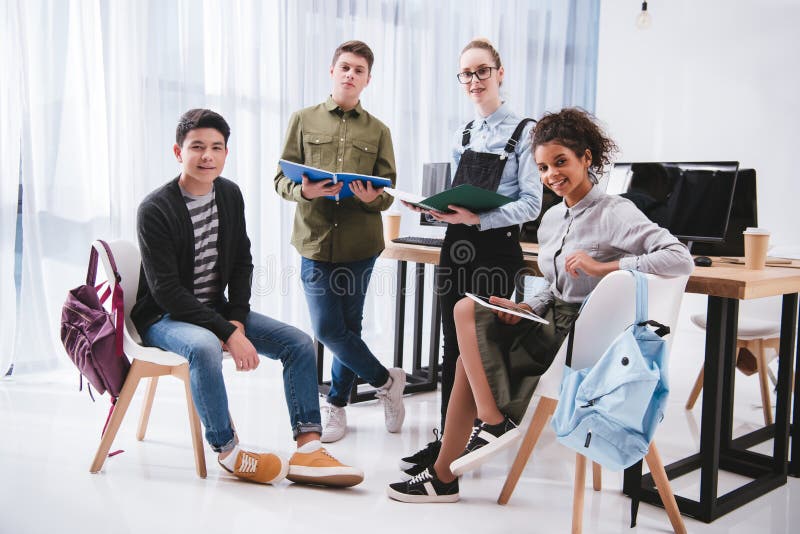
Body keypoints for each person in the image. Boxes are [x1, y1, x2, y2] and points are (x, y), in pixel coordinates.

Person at [387, 107, 694, 502]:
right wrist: (528, 307)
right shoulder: (552, 218)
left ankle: (490, 424)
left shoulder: (615, 212)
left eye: (560, 162)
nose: (551, 175)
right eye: (543, 167)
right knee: (467, 329)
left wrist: (606, 267)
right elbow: (554, 284)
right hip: (551, 320)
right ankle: (446, 473)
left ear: (586, 157)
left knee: (465, 320)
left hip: (583, 338)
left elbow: (679, 258)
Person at [133, 108, 363, 487]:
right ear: (178, 152)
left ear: (226, 153)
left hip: (215, 310)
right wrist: (226, 331)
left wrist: (236, 320)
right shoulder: (155, 209)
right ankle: (228, 451)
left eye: (216, 147)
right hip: (164, 317)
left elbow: (242, 261)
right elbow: (167, 291)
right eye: (197, 147)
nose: (207, 156)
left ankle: (308, 449)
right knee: (205, 346)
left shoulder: (228, 194)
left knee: (298, 343)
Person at [398, 38, 542, 478]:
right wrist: (434, 209)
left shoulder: (526, 132)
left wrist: (478, 219)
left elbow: (532, 204)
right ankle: (448, 440)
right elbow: (460, 200)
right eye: (466, 74)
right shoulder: (464, 133)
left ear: (500, 73)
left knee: (479, 348)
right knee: (451, 344)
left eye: (482, 71)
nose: (474, 80)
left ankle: (480, 436)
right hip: (456, 247)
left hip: (497, 249)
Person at [274, 41, 404, 443]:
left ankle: (336, 405)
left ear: (368, 80)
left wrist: (370, 198)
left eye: (359, 70)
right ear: (332, 71)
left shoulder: (379, 131)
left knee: (350, 326)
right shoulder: (302, 119)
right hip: (314, 242)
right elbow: (280, 180)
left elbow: (387, 193)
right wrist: (305, 192)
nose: (350, 74)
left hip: (360, 246)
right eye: (345, 67)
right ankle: (387, 382)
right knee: (328, 328)